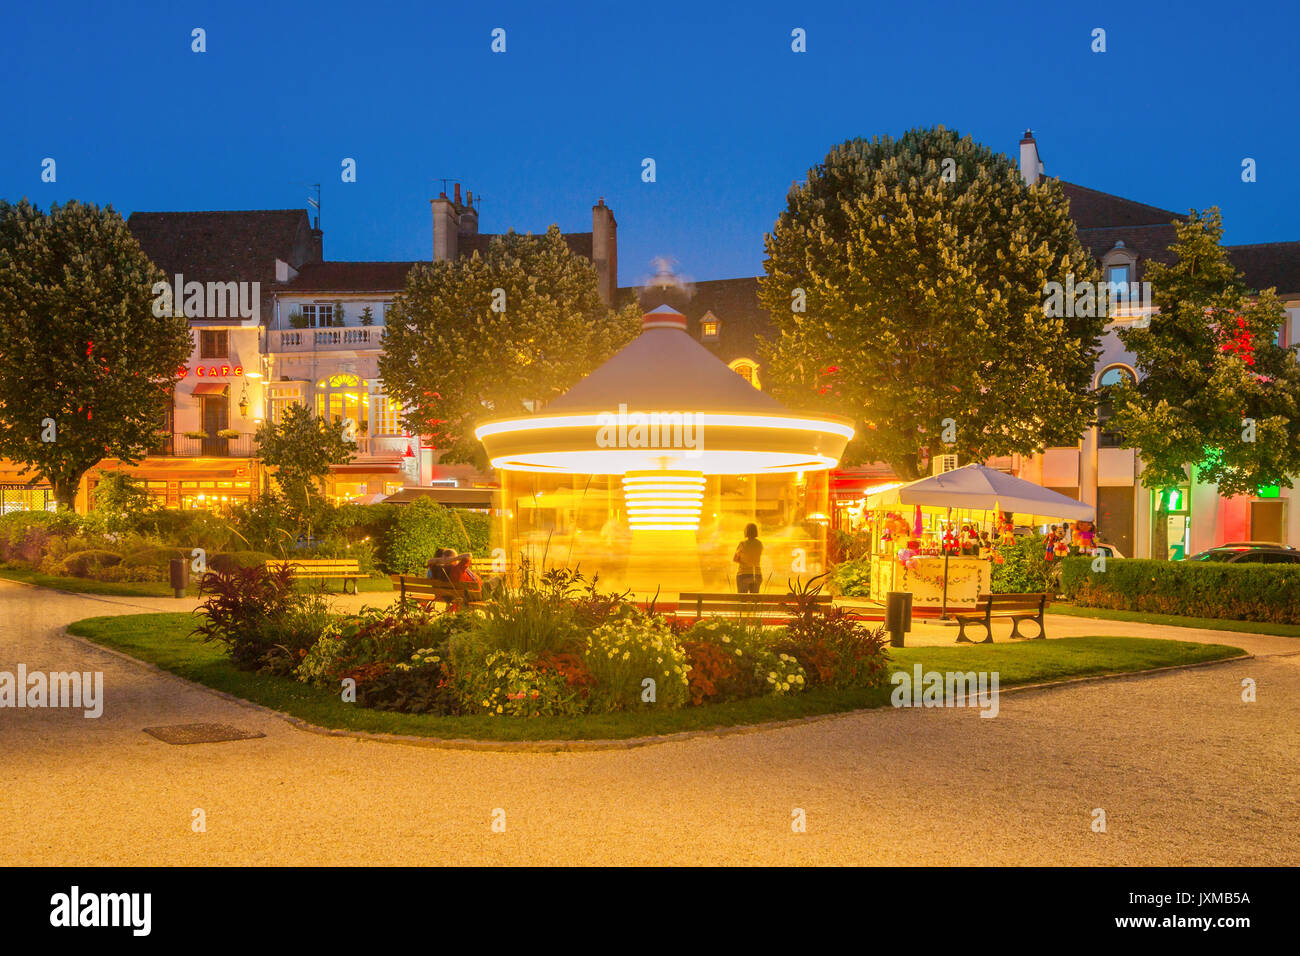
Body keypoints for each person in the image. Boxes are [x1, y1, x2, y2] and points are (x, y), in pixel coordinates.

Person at [733, 523, 763, 593]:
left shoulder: (742, 544)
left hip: (743, 574)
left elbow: (735, 559)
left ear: (746, 532)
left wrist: (743, 560)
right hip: (757, 574)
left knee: (743, 600)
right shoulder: (759, 544)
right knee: (754, 600)